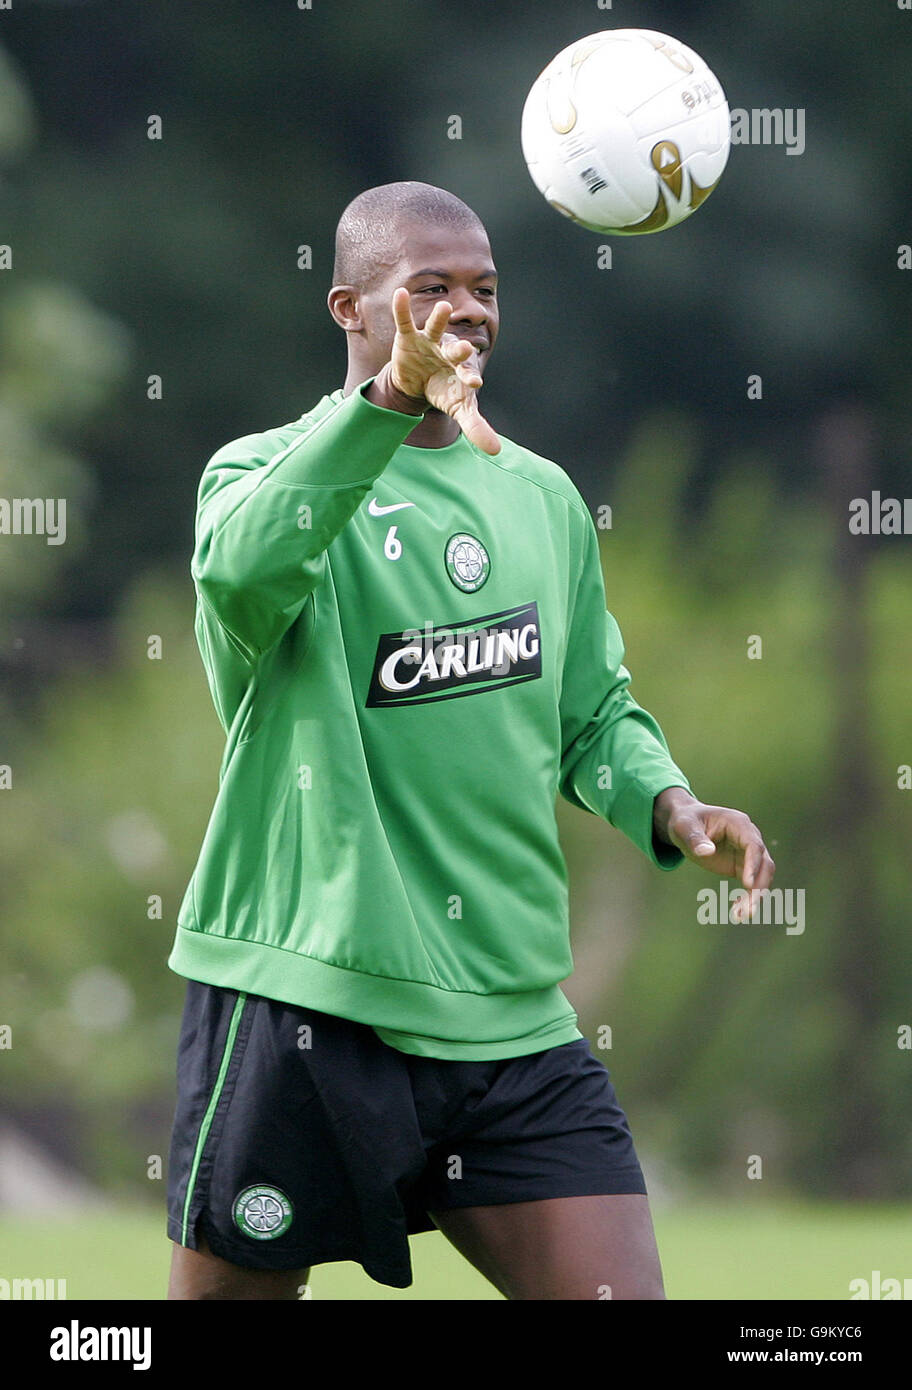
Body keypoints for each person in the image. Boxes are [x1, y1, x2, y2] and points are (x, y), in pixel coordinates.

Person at [165, 181, 775, 1301]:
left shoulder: (538, 495)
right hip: (313, 997)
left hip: (510, 1012)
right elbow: (241, 575)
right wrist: (391, 400)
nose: (468, 310)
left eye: (485, 289)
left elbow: (591, 710)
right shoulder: (261, 474)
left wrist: (667, 800)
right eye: (431, 287)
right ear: (352, 308)